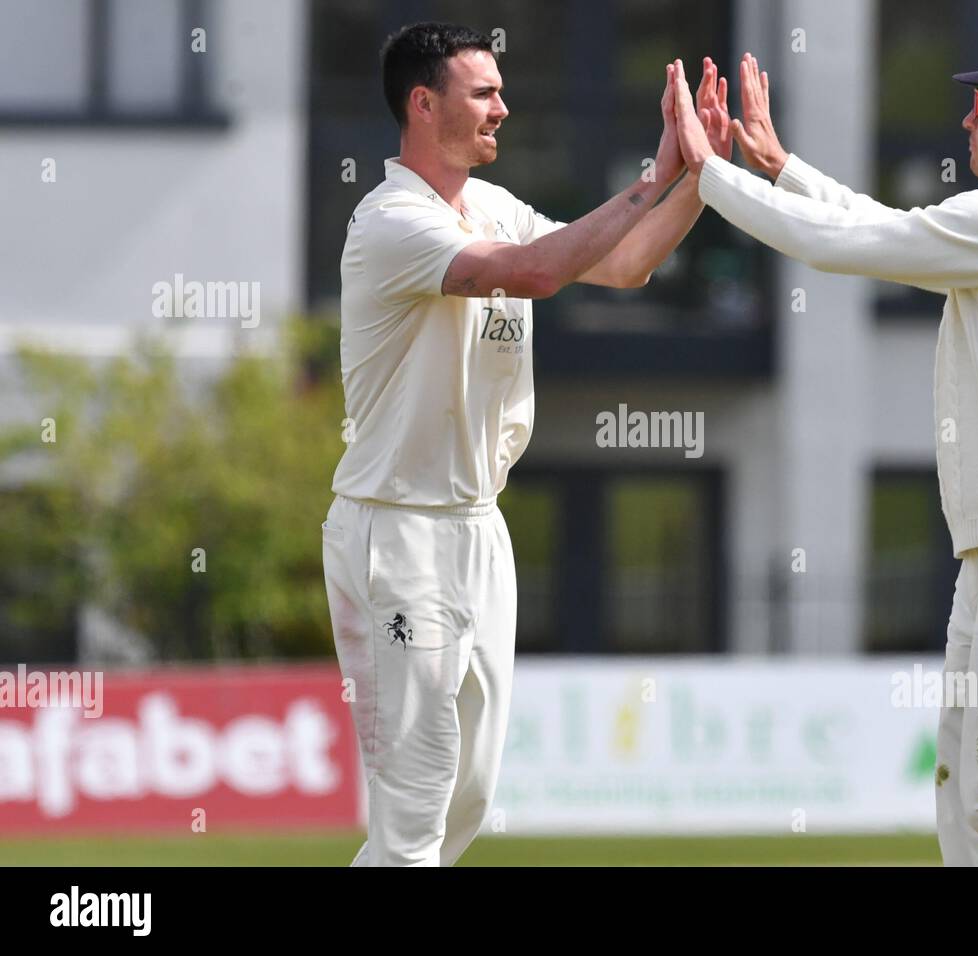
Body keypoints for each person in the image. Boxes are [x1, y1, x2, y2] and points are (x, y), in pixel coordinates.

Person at [672, 46, 978, 866]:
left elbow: (849, 246)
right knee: (964, 788)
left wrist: (707, 171)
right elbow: (881, 229)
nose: (967, 120)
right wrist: (781, 169)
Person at [321, 22, 731, 866]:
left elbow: (625, 267)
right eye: (484, 93)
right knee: (418, 800)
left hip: (478, 528)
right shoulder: (391, 219)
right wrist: (653, 174)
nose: (504, 108)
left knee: (467, 793)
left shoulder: (494, 206)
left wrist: (703, 174)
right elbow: (538, 273)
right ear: (423, 103)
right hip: (396, 530)